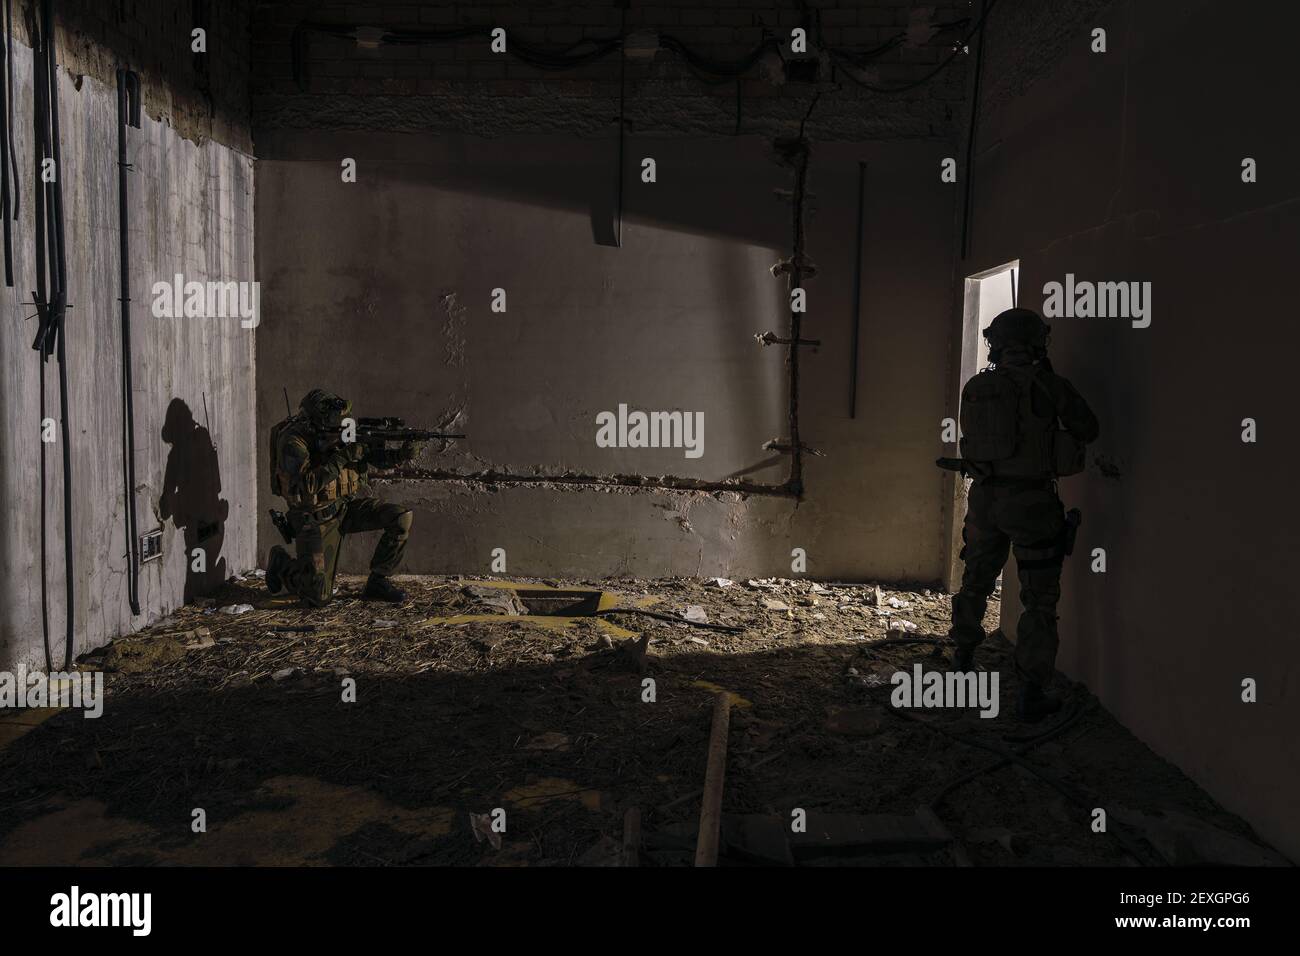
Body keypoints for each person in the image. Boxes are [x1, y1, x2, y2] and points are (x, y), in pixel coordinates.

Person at [949, 308, 1099, 720]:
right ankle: (1030, 692)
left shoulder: (978, 386)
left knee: (976, 577)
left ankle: (962, 659)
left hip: (984, 498)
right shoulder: (1050, 385)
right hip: (1031, 503)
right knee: (1038, 598)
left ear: (994, 343)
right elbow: (1088, 428)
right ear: (1037, 342)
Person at [265, 389, 412, 605]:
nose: (340, 424)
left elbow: (373, 458)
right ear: (314, 420)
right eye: (333, 420)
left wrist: (401, 454)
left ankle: (377, 583)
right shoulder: (293, 440)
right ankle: (283, 565)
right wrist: (342, 457)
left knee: (400, 518)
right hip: (315, 519)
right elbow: (306, 485)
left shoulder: (342, 432)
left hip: (344, 509)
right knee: (317, 598)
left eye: (341, 419)